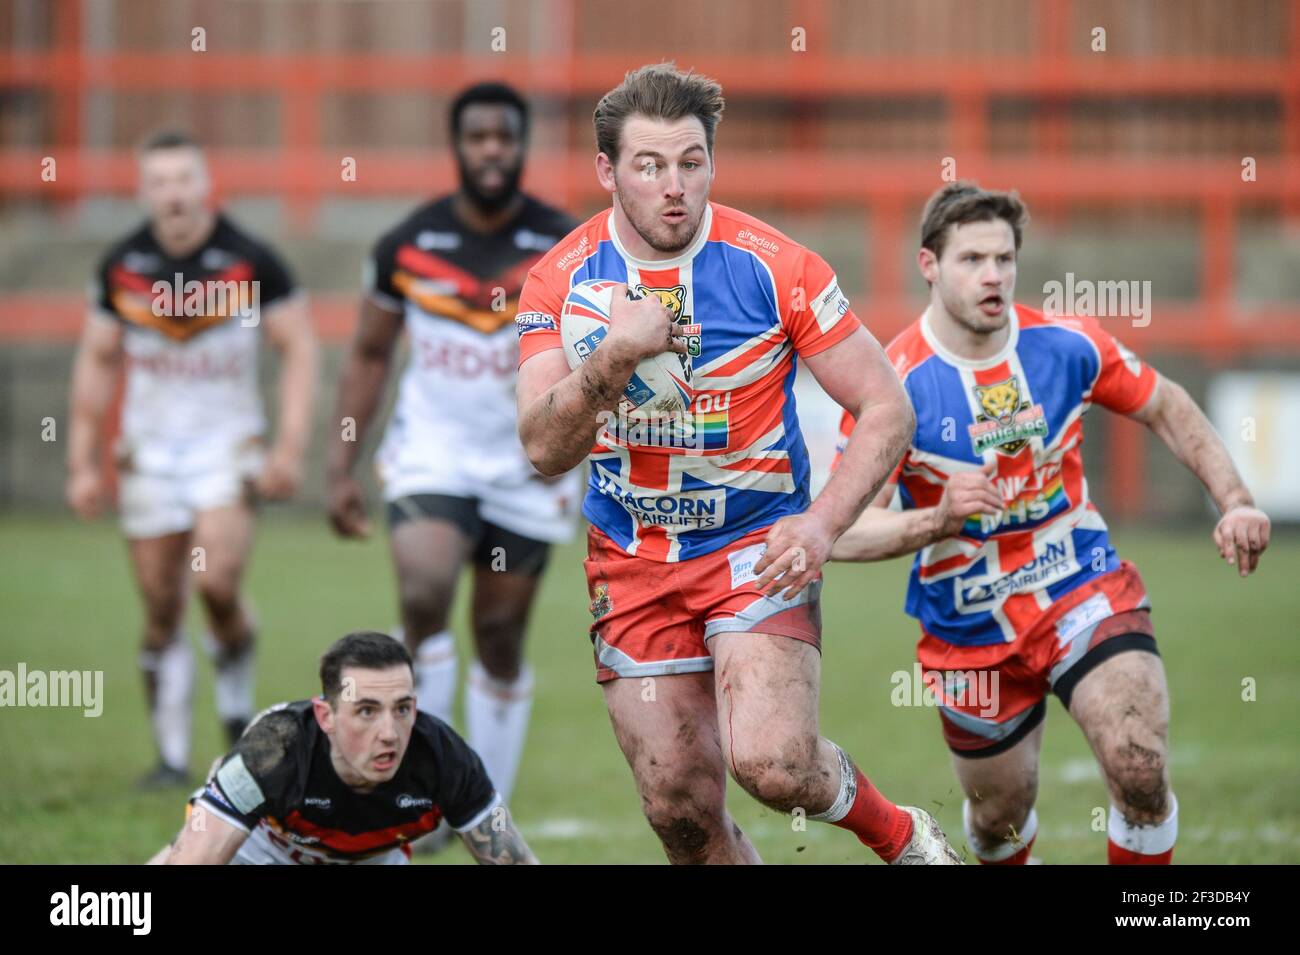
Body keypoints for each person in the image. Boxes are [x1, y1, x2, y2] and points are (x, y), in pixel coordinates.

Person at [513, 63, 960, 864]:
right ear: (608, 172)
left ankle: (903, 836)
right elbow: (545, 447)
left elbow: (888, 407)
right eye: (649, 166)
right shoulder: (561, 281)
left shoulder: (777, 266)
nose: (673, 186)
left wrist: (822, 524)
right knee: (678, 808)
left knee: (774, 764)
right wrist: (613, 358)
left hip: (755, 548)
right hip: (633, 556)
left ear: (714, 163)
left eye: (691, 162)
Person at [831, 181, 1271, 864]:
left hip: (1079, 582)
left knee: (1139, 766)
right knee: (999, 819)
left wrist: (1236, 497)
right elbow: (841, 531)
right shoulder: (893, 386)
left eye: (1004, 259)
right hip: (969, 624)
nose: (993, 276)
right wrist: (939, 518)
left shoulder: (1064, 345)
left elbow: (1166, 404)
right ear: (928, 264)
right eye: (972, 259)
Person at [327, 83, 579, 807]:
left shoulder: (563, 248)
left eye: (505, 136)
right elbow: (370, 356)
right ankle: (421, 792)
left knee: (499, 632)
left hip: (526, 462)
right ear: (457, 145)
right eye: (478, 137)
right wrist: (340, 462)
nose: (492, 150)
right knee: (425, 591)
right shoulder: (406, 245)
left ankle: (481, 802)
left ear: (523, 145)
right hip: (431, 454)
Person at [67, 130, 317, 788]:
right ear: (143, 192)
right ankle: (171, 756)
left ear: (206, 184)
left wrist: (288, 445)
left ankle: (236, 720)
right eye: (159, 182)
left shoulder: (250, 259)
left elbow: (299, 349)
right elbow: (96, 362)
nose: (173, 194)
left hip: (225, 449)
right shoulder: (121, 266)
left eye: (184, 179)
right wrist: (81, 461)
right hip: (147, 456)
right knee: (158, 605)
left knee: (215, 582)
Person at [152, 631, 536, 864]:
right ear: (325, 715)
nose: (389, 732)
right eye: (366, 711)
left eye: (402, 709)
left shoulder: (443, 759)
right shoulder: (274, 752)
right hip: (264, 853)